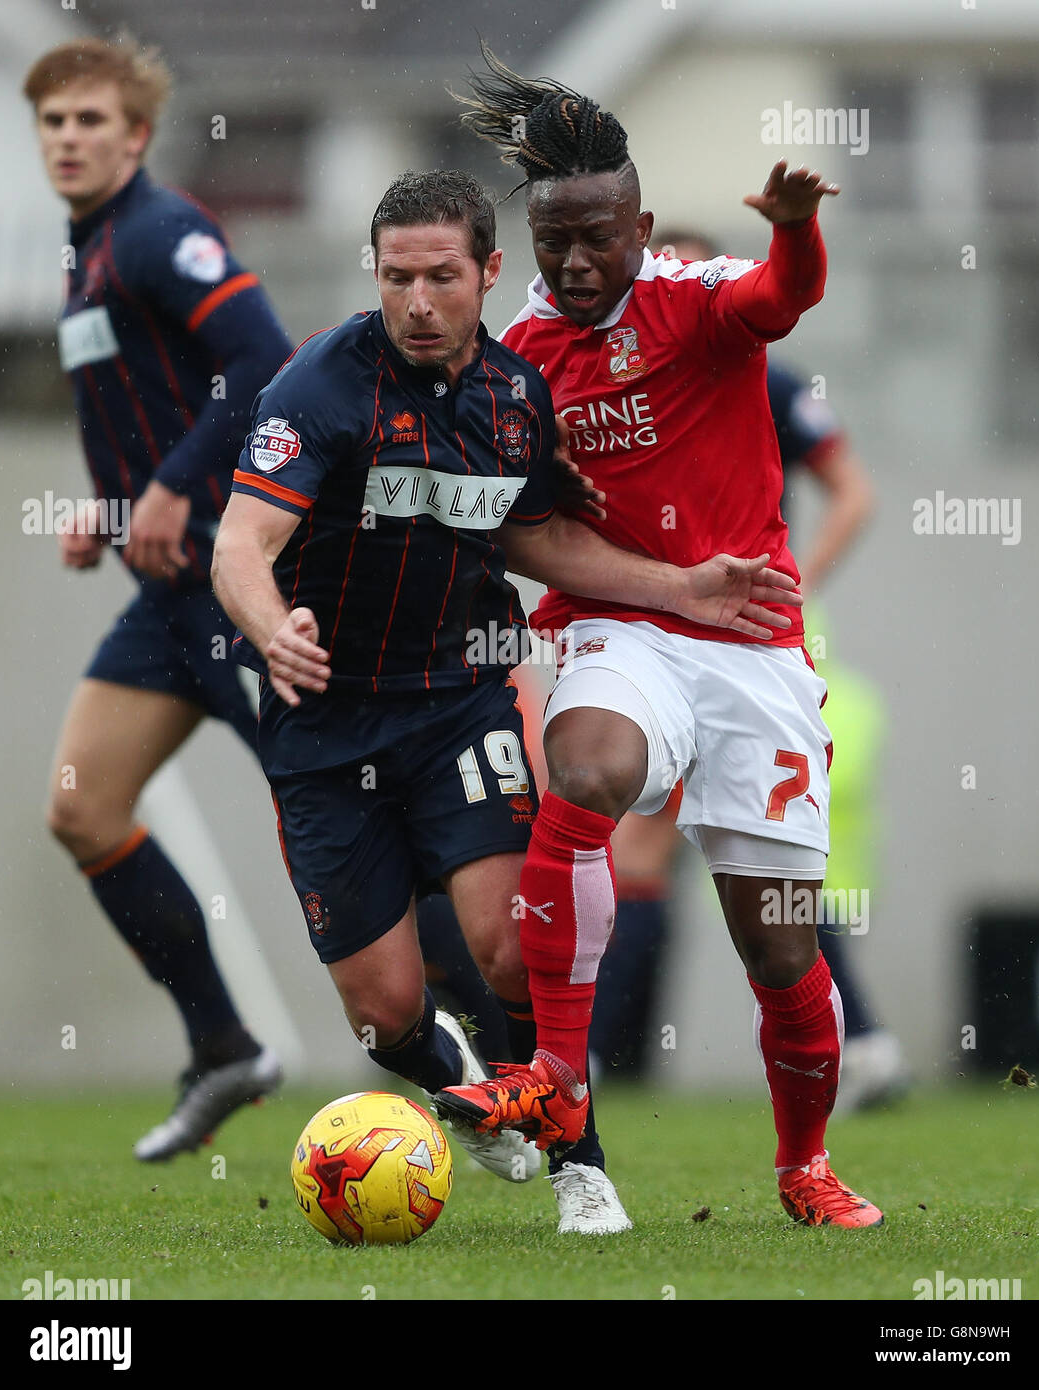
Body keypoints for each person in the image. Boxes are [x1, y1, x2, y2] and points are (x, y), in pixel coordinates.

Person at [210, 168, 802, 1233]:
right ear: (376, 276)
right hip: (324, 722)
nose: (421, 301)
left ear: (489, 273)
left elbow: (534, 536)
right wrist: (269, 626)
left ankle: (583, 1166)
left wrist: (680, 584)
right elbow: (239, 545)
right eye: (399, 278)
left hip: (459, 701)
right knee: (385, 1008)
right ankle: (461, 1086)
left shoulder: (516, 394)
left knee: (508, 945)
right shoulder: (316, 389)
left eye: (443, 275)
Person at [436, 51, 884, 1227]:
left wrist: (793, 232)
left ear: (640, 224)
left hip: (752, 643)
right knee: (583, 775)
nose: (576, 264)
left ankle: (805, 1164)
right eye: (553, 243)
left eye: (598, 238)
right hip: (619, 630)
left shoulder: (695, 295)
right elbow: (516, 531)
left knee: (780, 950)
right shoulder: (514, 362)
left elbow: (783, 300)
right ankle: (558, 1079)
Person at [26, 37, 292, 1160]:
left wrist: (181, 488)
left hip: (240, 590)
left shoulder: (157, 231)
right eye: (54, 122)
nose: (71, 138)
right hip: (163, 604)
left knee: (353, 831)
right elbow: (159, 400)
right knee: (83, 807)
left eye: (92, 120)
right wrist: (114, 503)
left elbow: (262, 360)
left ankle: (493, 1062)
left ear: (135, 136)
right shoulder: (86, 254)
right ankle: (225, 1045)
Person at [587, 228, 907, 1106]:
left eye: (692, 271)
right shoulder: (604, 373)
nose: (672, 290)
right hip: (656, 631)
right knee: (688, 851)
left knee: (722, 853)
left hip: (750, 641)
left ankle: (589, 1059)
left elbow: (854, 489)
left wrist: (798, 587)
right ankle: (863, 1044)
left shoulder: (757, 368)